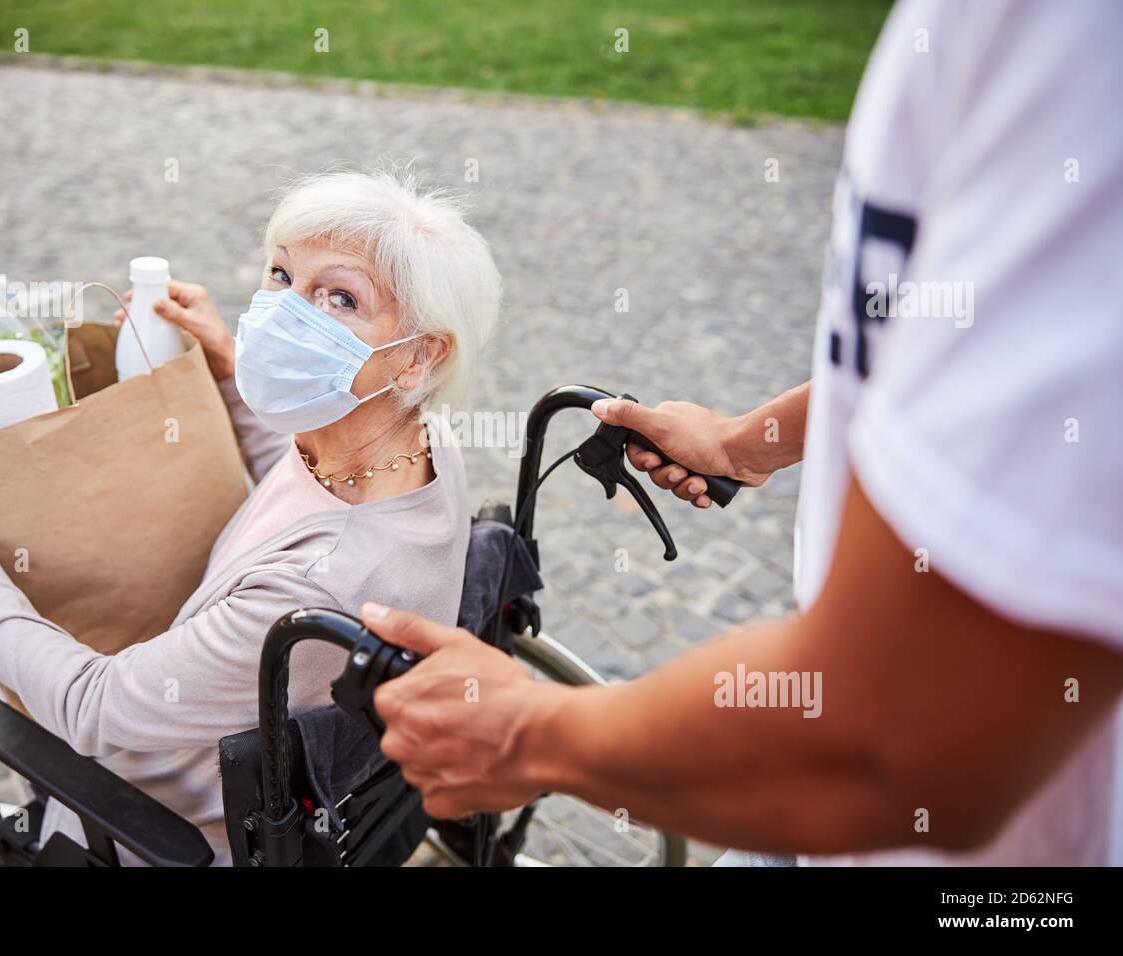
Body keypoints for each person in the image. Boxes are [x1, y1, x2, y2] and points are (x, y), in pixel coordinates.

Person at [364, 0, 1123, 865]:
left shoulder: (1070, 42)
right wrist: (747, 442)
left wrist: (532, 735)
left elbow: (899, 733)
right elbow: (953, 353)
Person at [0, 169, 501, 864]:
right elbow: (309, 480)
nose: (285, 313)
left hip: (163, 808)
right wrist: (233, 373)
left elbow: (94, 707)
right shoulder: (419, 442)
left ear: (418, 355)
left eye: (341, 297)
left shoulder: (311, 590)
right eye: (282, 274)